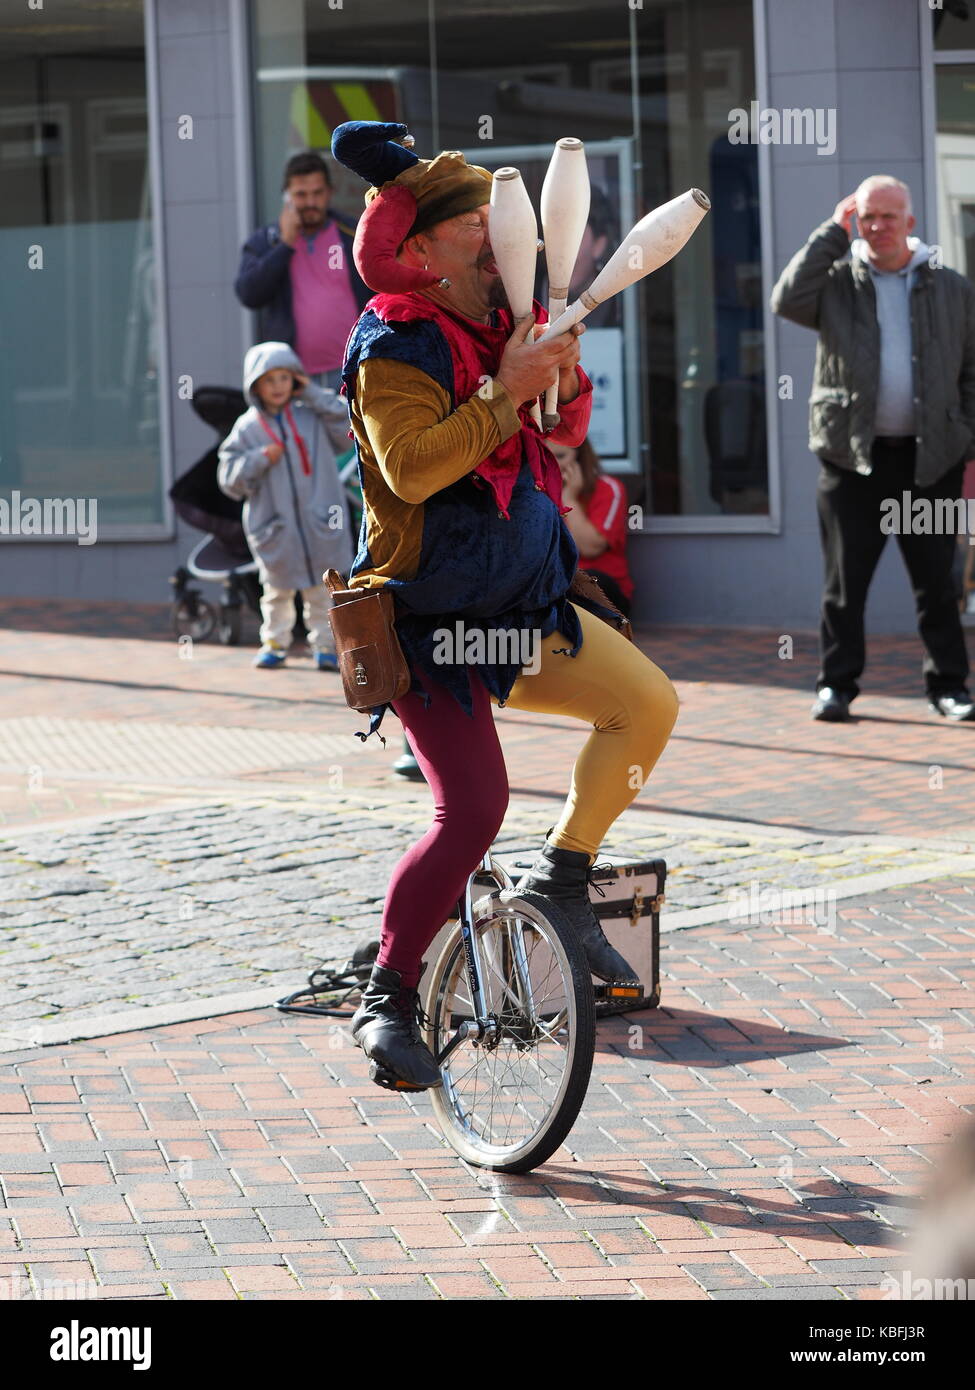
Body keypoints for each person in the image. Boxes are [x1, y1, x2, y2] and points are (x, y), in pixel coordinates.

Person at [329, 120, 679, 1090]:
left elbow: (554, 433)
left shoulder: (498, 320)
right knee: (473, 807)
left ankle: (562, 883)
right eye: (476, 227)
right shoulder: (394, 340)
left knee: (647, 707)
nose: (495, 238)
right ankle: (388, 996)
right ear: (426, 247)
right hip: (425, 624)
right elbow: (411, 467)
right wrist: (504, 391)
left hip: (520, 606)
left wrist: (554, 383)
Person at [771, 174, 975, 723]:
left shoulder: (952, 287)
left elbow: (972, 369)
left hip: (931, 460)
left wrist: (965, 437)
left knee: (938, 582)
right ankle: (836, 686)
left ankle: (950, 686)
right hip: (850, 457)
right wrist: (830, 234)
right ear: (853, 220)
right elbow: (785, 298)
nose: (878, 226)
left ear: (910, 222)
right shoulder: (837, 281)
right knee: (844, 584)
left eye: (889, 216)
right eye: (867, 216)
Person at [217, 342, 353, 670]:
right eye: (268, 380)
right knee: (276, 594)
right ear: (254, 385)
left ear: (297, 379)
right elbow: (228, 478)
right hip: (276, 529)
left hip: (319, 524)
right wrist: (258, 459)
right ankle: (274, 643)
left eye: (284, 377)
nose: (277, 386)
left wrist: (312, 394)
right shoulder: (247, 428)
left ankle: (324, 646)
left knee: (321, 594)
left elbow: (348, 421)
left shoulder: (313, 417)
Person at [234, 151, 371, 389]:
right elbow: (249, 294)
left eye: (317, 193)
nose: (310, 203)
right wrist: (285, 244)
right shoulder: (266, 241)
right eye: (301, 195)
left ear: (329, 192)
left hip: (355, 370)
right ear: (286, 197)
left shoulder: (353, 233)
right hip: (293, 379)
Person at [549, 437, 634, 616]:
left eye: (561, 456)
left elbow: (591, 547)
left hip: (602, 592)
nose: (553, 464)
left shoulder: (608, 488)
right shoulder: (536, 492)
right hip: (553, 587)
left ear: (580, 458)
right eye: (546, 456)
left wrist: (569, 498)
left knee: (582, 579)